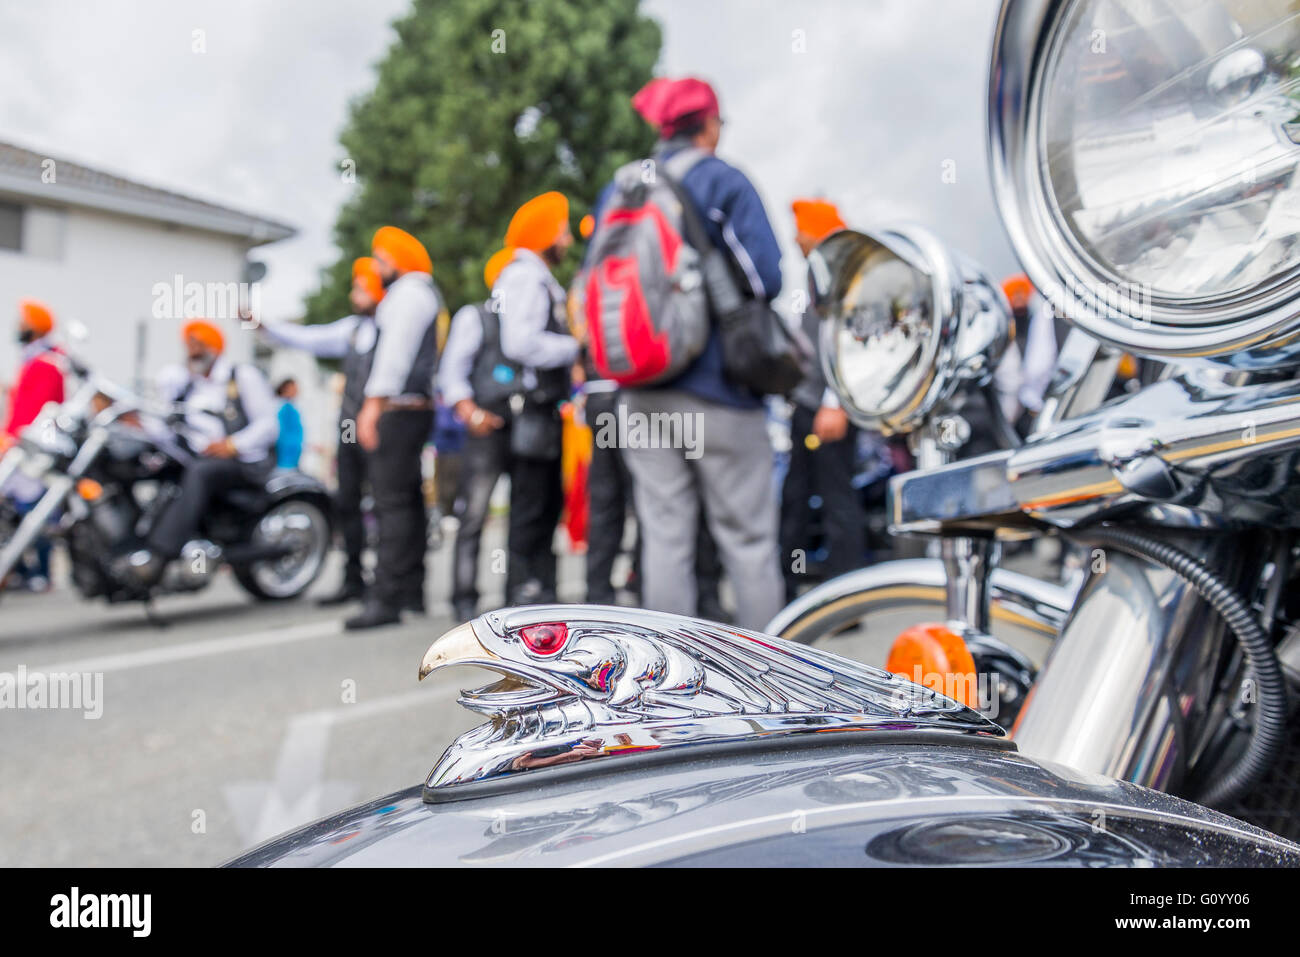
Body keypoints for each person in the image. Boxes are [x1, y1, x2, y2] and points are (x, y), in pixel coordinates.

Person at [594, 76, 786, 632]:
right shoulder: (724, 180)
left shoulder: (621, 189)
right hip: (719, 389)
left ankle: (672, 679)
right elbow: (766, 278)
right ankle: (766, 675)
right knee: (748, 540)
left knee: (664, 537)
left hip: (641, 393)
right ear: (708, 125)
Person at [259, 257, 385, 606]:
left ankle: (391, 584)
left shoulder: (393, 329)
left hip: (382, 428)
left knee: (387, 504)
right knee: (347, 500)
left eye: (360, 288)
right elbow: (309, 337)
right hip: (350, 429)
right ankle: (353, 578)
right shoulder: (353, 330)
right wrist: (266, 326)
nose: (353, 295)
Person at [345, 226, 444, 630]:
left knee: (391, 503)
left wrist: (371, 406)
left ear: (396, 262)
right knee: (409, 500)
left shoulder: (407, 293)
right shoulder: (422, 293)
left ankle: (386, 597)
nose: (376, 268)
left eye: (381, 260)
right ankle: (411, 590)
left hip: (400, 410)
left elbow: (394, 356)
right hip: (413, 409)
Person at [129, 320, 279, 585]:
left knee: (201, 472)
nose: (192, 352)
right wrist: (136, 424)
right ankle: (134, 542)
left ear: (215, 347)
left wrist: (232, 444)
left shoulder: (241, 376)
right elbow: (168, 426)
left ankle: (159, 555)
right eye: (189, 346)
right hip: (199, 460)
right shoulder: (188, 385)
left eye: (198, 345)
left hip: (243, 462)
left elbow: (268, 425)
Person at [491, 192, 580, 606]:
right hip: (532, 411)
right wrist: (577, 348)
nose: (568, 240)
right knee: (531, 507)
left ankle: (540, 599)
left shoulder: (537, 276)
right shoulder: (525, 276)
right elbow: (520, 342)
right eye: (562, 231)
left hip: (544, 411)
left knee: (545, 506)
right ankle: (523, 601)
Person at [781, 199, 867, 601]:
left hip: (828, 409)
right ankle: (789, 591)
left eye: (799, 228)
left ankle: (844, 599)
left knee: (836, 500)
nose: (794, 237)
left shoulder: (843, 270)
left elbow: (851, 336)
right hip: (810, 405)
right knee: (797, 498)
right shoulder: (822, 270)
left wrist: (835, 401)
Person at [438, 247, 517, 622]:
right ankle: (463, 596)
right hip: (487, 426)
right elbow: (452, 371)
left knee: (527, 514)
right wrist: (471, 412)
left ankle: (520, 597)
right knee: (473, 513)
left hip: (526, 425)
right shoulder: (476, 316)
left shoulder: (531, 318)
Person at [2, 299, 67, 591]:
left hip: (32, 450)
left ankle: (40, 572)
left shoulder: (46, 362)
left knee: (36, 510)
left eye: (23, 323)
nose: (18, 327)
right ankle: (21, 569)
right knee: (18, 509)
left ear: (36, 327)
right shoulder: (33, 359)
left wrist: (13, 439)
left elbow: (39, 409)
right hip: (22, 446)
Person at [274, 378, 304, 469]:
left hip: (293, 455)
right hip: (284, 456)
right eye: (294, 388)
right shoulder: (282, 407)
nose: (297, 391)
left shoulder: (291, 407)